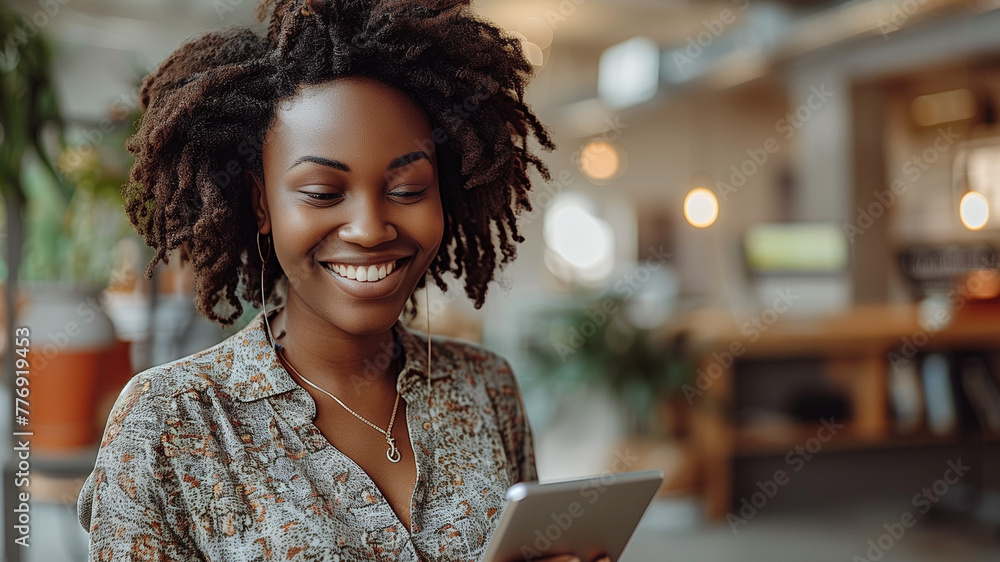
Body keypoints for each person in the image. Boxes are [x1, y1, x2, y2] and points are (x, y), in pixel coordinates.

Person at [76, 1, 608, 561]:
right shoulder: (171, 420)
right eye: (323, 194)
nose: (370, 229)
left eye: (407, 190)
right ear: (262, 204)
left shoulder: (486, 387)